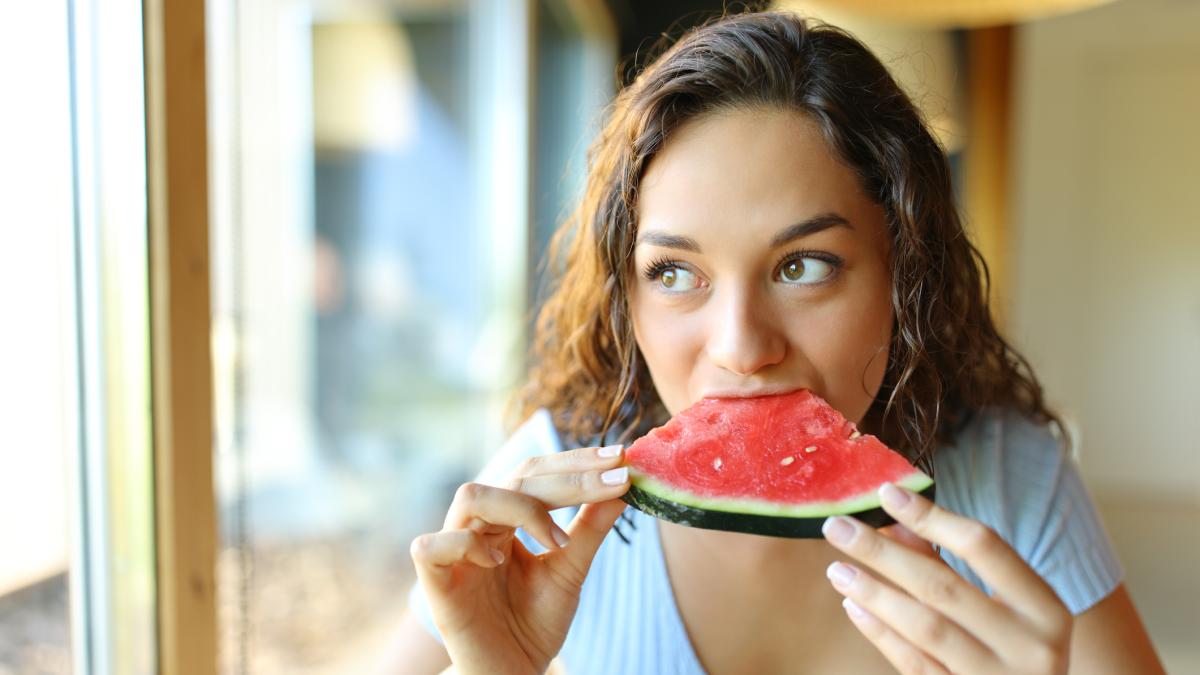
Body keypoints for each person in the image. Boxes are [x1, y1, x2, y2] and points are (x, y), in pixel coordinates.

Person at [387, 10, 1166, 675]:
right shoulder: (541, 501)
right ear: (626, 298)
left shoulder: (1009, 481)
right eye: (674, 272)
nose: (741, 346)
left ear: (905, 275)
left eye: (804, 265)